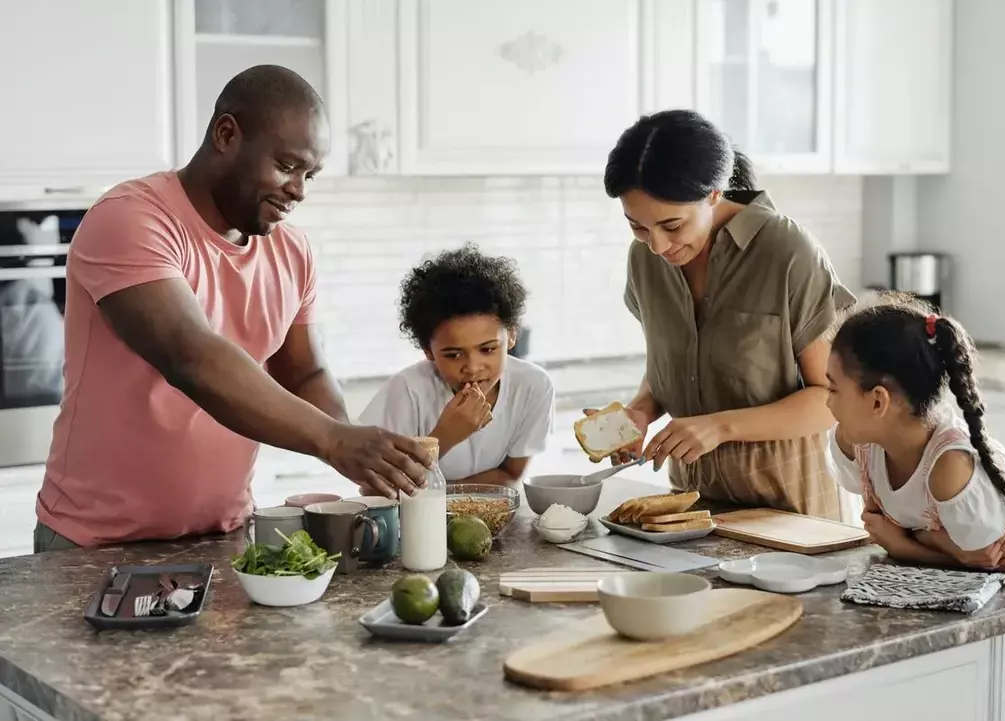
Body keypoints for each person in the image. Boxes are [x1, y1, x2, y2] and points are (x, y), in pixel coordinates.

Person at [35, 65, 429, 552]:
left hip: (224, 536)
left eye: (310, 175)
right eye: (287, 166)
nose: (299, 190)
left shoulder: (292, 250)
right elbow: (192, 359)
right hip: (95, 544)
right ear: (226, 134)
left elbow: (305, 372)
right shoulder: (130, 219)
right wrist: (334, 440)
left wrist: (358, 453)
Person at [592, 109, 856, 519]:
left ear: (715, 194)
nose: (658, 246)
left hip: (791, 509)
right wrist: (639, 414)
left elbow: (832, 399)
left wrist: (719, 427)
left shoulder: (786, 251)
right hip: (690, 508)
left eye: (672, 226)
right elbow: (671, 367)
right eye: (638, 227)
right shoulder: (644, 260)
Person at [826, 296, 1005, 720]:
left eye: (834, 388)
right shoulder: (859, 443)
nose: (826, 400)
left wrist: (910, 548)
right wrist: (941, 547)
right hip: (980, 589)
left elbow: (995, 560)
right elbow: (965, 557)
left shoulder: (950, 467)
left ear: (878, 401)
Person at [358, 244, 554, 485]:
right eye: (453, 354)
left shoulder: (533, 386)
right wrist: (444, 437)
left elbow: (510, 475)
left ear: (512, 335)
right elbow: (375, 489)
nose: (472, 367)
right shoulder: (407, 391)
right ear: (428, 351)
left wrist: (447, 499)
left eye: (488, 349)